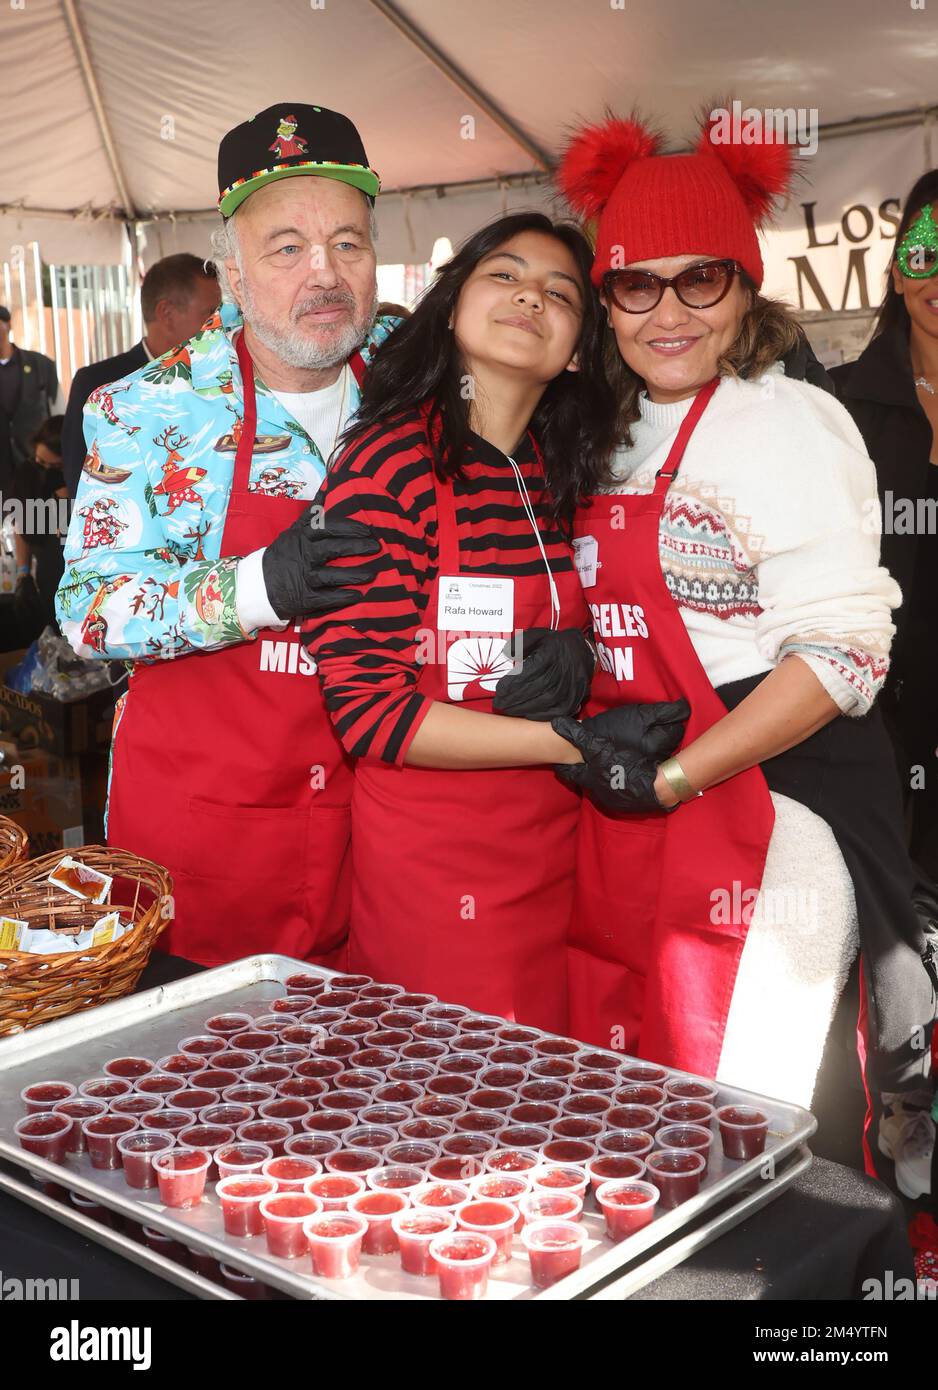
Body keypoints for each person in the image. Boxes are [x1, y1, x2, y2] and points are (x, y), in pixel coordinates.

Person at [550, 110, 936, 1162]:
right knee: (625, 1098)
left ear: (743, 286)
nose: (667, 311)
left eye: (700, 280)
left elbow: (842, 657)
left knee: (728, 1122)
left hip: (774, 807)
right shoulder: (608, 428)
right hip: (631, 793)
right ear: (605, 297)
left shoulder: (786, 425)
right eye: (637, 283)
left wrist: (675, 775)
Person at [305, 211, 684, 1029]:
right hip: (435, 871)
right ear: (451, 307)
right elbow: (369, 714)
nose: (529, 298)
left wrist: (577, 649)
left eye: (559, 293)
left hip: (556, 849)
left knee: (549, 1086)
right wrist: (570, 742)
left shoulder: (557, 471)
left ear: (580, 347)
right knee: (451, 1106)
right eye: (504, 276)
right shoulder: (390, 462)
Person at [56, 102, 397, 968]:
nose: (324, 273)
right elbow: (89, 613)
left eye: (348, 244)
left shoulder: (422, 375)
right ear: (234, 275)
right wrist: (256, 589)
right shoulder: (144, 408)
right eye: (286, 248)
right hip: (205, 846)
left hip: (389, 832)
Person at [831, 172, 938, 1195]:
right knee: (891, 985)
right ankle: (903, 1188)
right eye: (923, 251)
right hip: (870, 745)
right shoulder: (836, 405)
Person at [62, 254, 221, 499]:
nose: (219, 325)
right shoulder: (101, 384)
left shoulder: (219, 379)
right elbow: (80, 484)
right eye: (209, 314)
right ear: (166, 313)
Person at [0, 305, 63, 498]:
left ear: (8, 325)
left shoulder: (42, 366)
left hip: (38, 475)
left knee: (38, 525)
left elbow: (60, 419)